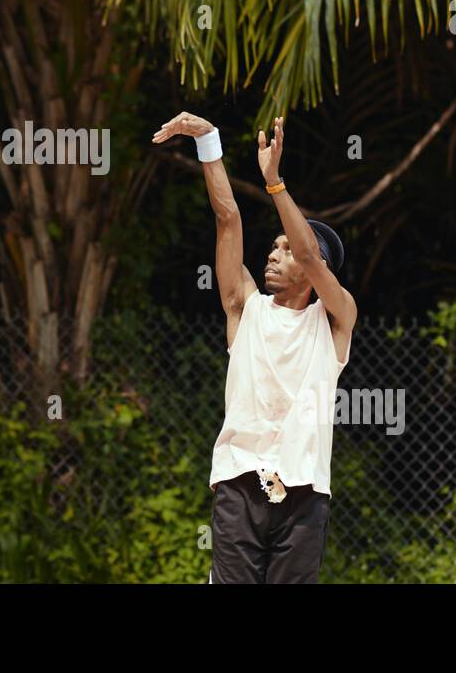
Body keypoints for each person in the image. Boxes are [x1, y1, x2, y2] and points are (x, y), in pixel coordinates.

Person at [153, 112, 356, 583]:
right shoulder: (246, 308)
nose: (273, 253)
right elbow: (227, 220)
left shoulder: (335, 320)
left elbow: (309, 251)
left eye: (286, 249)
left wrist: (275, 183)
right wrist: (208, 141)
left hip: (304, 497)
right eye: (274, 246)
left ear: (317, 268)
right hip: (240, 486)